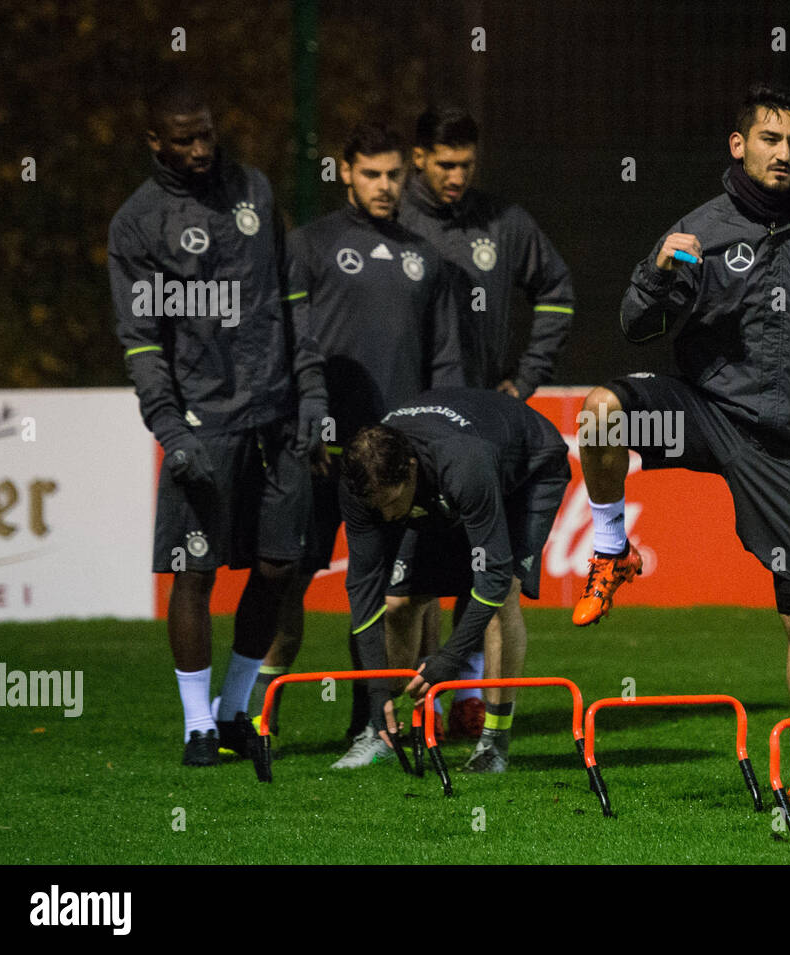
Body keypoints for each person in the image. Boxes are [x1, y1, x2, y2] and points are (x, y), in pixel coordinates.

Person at [572, 82, 790, 817]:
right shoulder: (697, 230)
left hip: (789, 445)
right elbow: (635, 325)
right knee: (599, 414)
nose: (784, 154)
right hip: (705, 411)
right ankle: (609, 546)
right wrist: (661, 275)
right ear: (739, 145)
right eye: (770, 140)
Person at [108, 80, 326, 766]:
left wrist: (313, 394)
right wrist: (171, 429)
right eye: (184, 138)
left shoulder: (255, 190)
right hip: (203, 425)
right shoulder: (137, 224)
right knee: (193, 571)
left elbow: (295, 303)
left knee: (279, 564)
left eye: (207, 133)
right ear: (155, 142)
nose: (201, 149)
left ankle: (235, 709)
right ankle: (197, 723)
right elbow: (141, 341)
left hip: (278, 417)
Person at [246, 122, 465, 757]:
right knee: (286, 583)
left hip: (397, 466)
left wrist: (436, 440)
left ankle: (375, 722)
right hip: (317, 455)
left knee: (394, 598)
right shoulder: (309, 246)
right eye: (371, 174)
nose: (385, 186)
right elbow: (293, 342)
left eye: (395, 175)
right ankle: (257, 718)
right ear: (345, 172)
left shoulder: (430, 259)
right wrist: (304, 417)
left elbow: (446, 367)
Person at [399, 106, 575, 738]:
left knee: (483, 573)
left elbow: (557, 292)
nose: (456, 176)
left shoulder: (504, 223)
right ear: (417, 157)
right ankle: (427, 707)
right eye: (444, 163)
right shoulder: (392, 220)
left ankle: (473, 699)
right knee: (415, 582)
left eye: (466, 165)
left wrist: (522, 382)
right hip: (412, 429)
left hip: (483, 434)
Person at [338, 388, 570, 771]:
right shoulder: (361, 484)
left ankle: (494, 744)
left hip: (529, 469)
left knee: (503, 595)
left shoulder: (465, 464)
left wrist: (450, 659)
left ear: (411, 468)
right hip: (446, 473)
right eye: (376, 507)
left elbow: (492, 577)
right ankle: (379, 729)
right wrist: (377, 693)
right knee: (399, 603)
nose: (387, 516)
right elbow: (363, 587)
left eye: (393, 503)